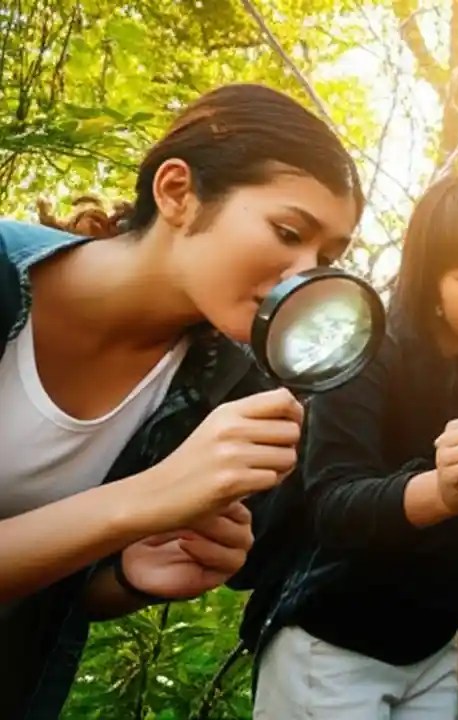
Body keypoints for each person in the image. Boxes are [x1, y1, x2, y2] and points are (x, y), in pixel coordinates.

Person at [0, 83, 362, 719]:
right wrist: (144, 499)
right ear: (176, 192)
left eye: (327, 258)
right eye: (287, 231)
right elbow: (129, 503)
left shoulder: (226, 382)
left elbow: (62, 592)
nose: (308, 275)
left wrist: (131, 578)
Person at [245, 174, 458, 719]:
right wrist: (437, 492)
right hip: (335, 641)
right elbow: (334, 507)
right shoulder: (367, 350)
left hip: (431, 643)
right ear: (431, 278)